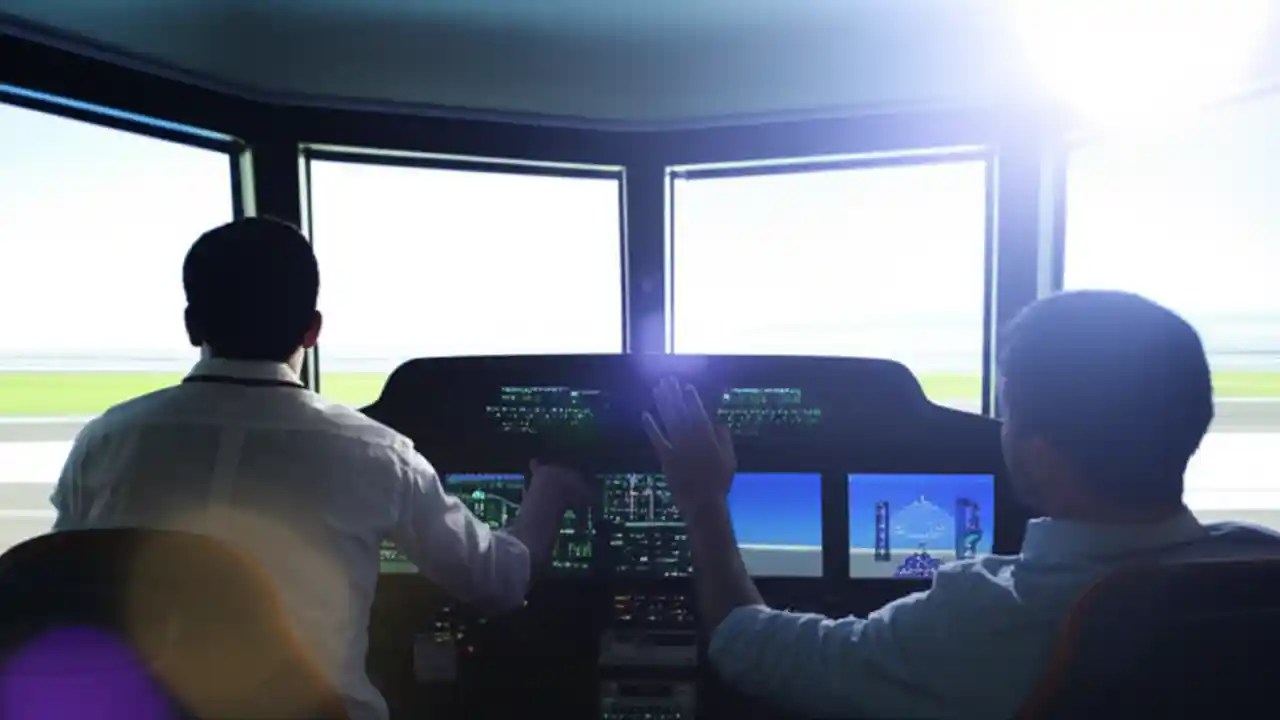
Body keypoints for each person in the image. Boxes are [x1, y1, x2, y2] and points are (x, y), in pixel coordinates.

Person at [642, 290, 1280, 719]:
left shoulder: (990, 617)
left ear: (1042, 456)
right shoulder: (1259, 562)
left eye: (1010, 413)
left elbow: (749, 646)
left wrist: (702, 501)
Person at [50, 217, 592, 720]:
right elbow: (498, 582)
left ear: (193, 326)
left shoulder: (106, 440)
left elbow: (62, 590)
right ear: (312, 329)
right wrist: (550, 490)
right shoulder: (374, 452)